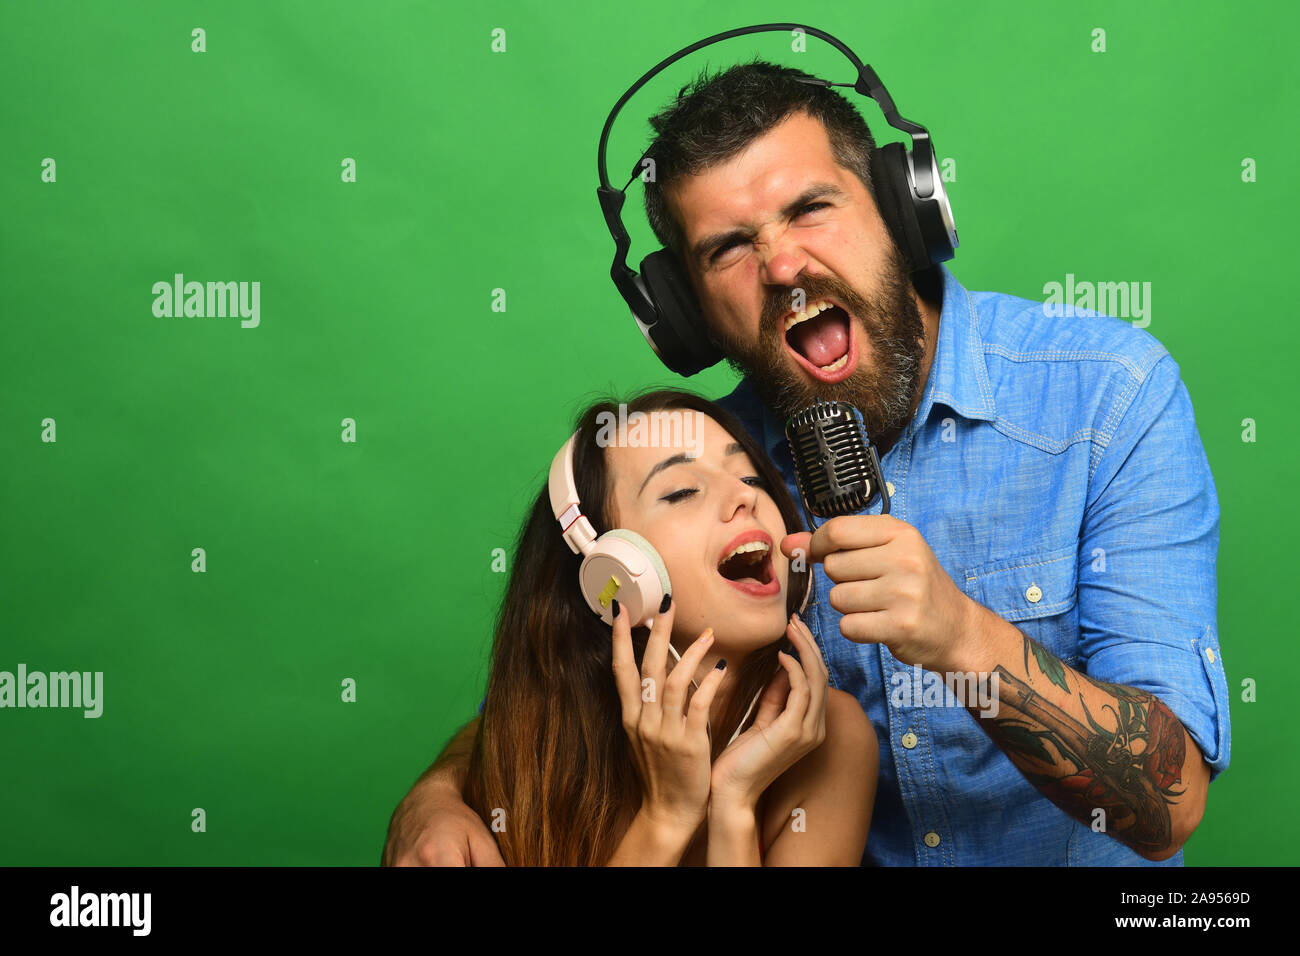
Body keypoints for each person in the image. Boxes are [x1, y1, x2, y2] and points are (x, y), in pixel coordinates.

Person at [384, 59, 1229, 867]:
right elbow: (560, 685)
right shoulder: (709, 463)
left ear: (905, 213)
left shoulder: (1108, 398)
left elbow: (1169, 808)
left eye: (810, 208)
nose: (783, 265)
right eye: (729, 249)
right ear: (683, 315)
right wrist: (440, 790)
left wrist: (961, 636)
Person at [459, 389, 877, 865]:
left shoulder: (830, 735)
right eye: (681, 491)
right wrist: (668, 815)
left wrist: (733, 802)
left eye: (750, 475)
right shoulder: (539, 742)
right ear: (612, 570)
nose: (745, 496)